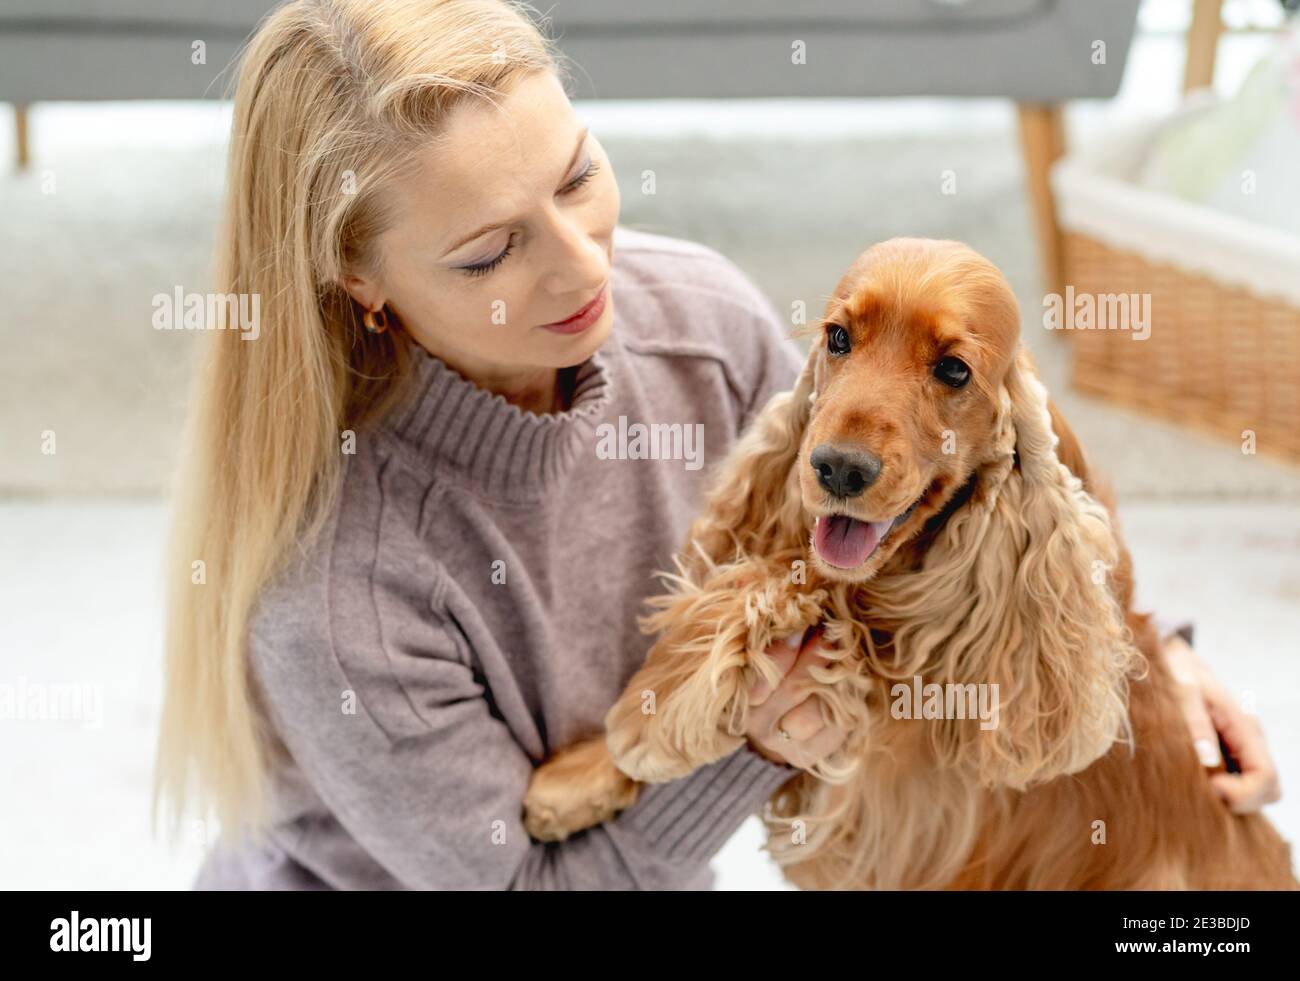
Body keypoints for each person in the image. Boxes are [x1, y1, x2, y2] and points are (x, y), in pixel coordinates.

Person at [153, 0, 1280, 891]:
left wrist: (1145, 658)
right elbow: (531, 888)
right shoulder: (339, 590)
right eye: (491, 251)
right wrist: (758, 747)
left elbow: (971, 478)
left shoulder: (691, 320)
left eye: (578, 177)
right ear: (361, 285)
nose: (587, 268)